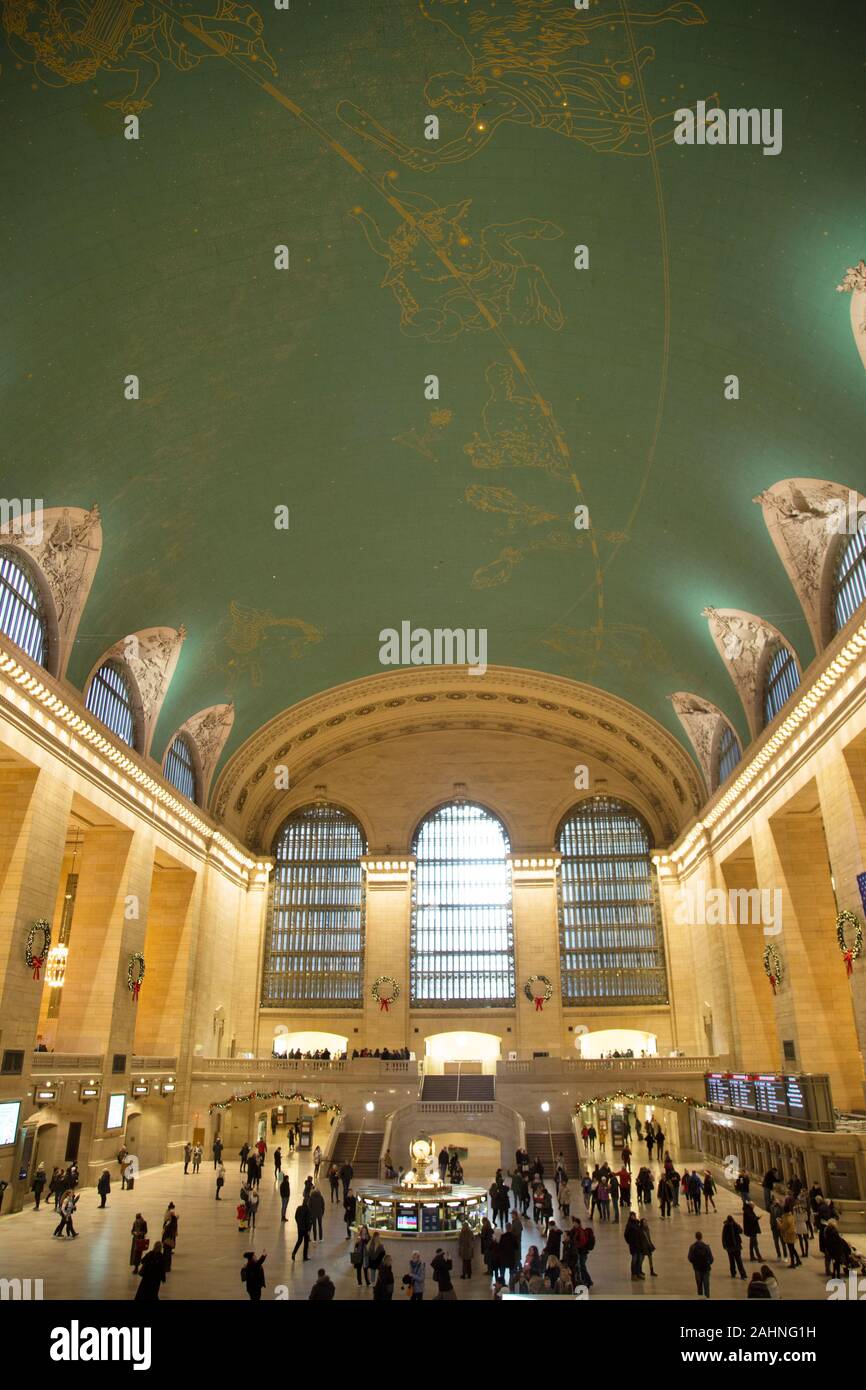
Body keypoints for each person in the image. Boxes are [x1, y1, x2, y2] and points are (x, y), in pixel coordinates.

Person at [688, 1231, 713, 1298]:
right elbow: (711, 1259)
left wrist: (695, 1264)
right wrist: (708, 1263)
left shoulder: (692, 1247)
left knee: (699, 1287)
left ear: (696, 1237)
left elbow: (690, 1258)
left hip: (697, 1269)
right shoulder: (706, 1246)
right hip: (706, 1269)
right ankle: (707, 1298)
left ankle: (700, 1298)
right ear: (702, 1237)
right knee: (706, 1286)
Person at [722, 1214, 747, 1281]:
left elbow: (723, 1236)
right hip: (735, 1247)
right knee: (738, 1261)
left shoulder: (727, 1226)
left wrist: (724, 1245)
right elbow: (741, 1230)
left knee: (732, 1261)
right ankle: (742, 1274)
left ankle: (734, 1273)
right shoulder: (729, 1226)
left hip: (731, 1247)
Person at [625, 1210, 644, 1279]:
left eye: (635, 1216)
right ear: (630, 1217)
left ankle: (638, 1273)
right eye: (633, 1216)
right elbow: (626, 1235)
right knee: (634, 1260)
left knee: (639, 1259)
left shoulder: (637, 1223)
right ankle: (634, 1274)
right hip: (633, 1245)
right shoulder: (629, 1225)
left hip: (639, 1244)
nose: (634, 1217)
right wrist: (630, 1242)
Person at [162, 1204, 178, 1272]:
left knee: (167, 1255)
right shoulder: (171, 1223)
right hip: (168, 1241)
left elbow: (166, 1230)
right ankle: (166, 1267)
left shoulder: (170, 1224)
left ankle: (167, 1267)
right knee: (167, 1255)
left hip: (167, 1241)